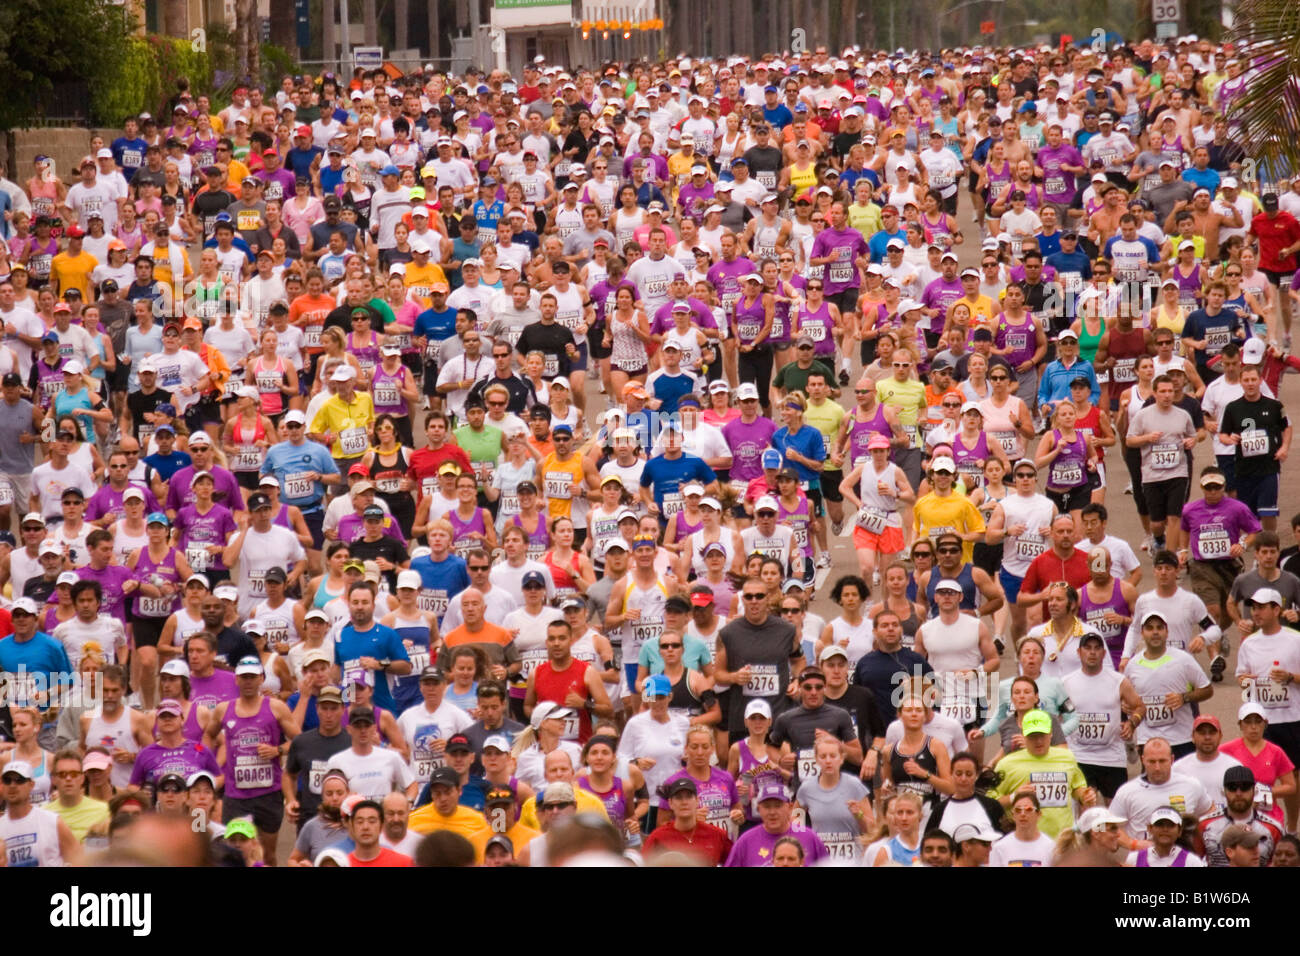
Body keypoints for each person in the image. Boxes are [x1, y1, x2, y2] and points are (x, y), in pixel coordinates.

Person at [991, 708, 1095, 838]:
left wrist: (1085, 796)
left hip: (1062, 840)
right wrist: (1014, 797)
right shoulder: (1007, 764)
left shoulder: (1066, 757)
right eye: (1033, 736)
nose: (1038, 741)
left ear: (1051, 733)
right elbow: (991, 803)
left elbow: (1076, 787)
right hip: (1024, 840)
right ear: (1023, 734)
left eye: (1042, 735)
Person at [1195, 765, 1285, 866]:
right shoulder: (1204, 825)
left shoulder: (1274, 829)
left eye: (1245, 787)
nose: (1238, 793)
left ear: (1255, 790)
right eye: (1232, 787)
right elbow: (1192, 861)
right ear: (1223, 791)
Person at [0, 760, 81, 866]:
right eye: (7, 780)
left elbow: (79, 859)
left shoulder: (52, 822)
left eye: (19, 780)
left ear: (31, 784)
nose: (12, 785)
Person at [640, 776, 732, 866]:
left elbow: (736, 861)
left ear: (697, 801)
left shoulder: (717, 835)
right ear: (670, 803)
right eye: (679, 797)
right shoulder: (657, 837)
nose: (684, 802)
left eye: (689, 797)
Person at [988, 791, 1056, 867]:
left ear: (1039, 814)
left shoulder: (1051, 848)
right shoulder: (1000, 848)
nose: (1023, 814)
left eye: (1029, 809)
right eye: (1018, 810)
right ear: (1013, 815)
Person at [1128, 806, 1207, 867]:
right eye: (1159, 825)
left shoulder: (1192, 862)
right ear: (1150, 829)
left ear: (1179, 831)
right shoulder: (1134, 859)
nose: (1165, 829)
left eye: (1171, 825)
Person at [346, 798, 414, 867]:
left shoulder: (404, 863)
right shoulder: (342, 864)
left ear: (381, 826)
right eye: (360, 822)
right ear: (352, 826)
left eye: (372, 821)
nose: (365, 827)